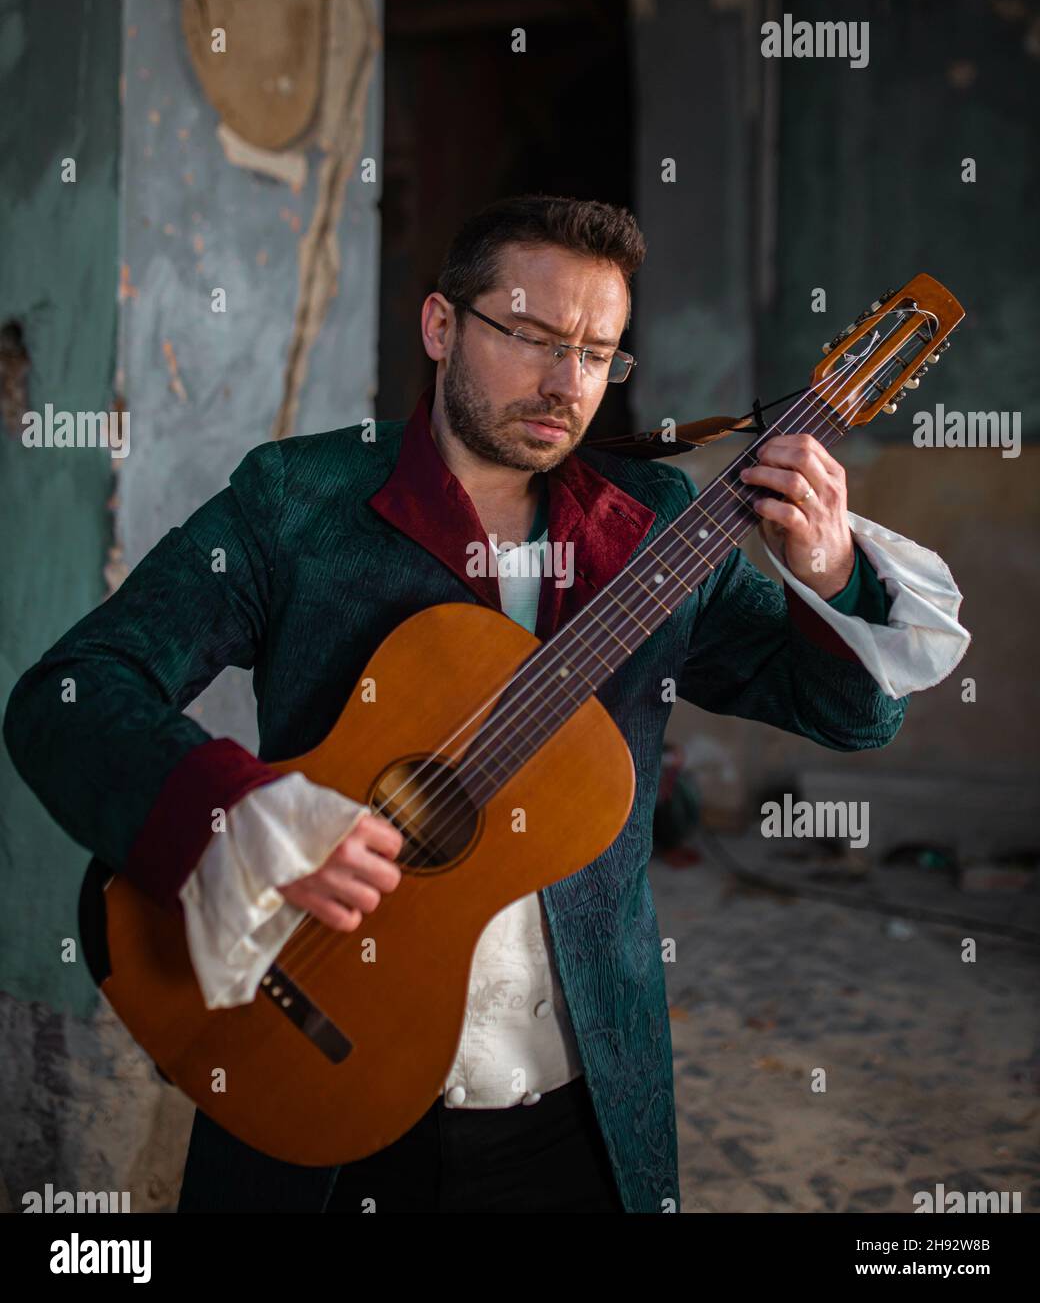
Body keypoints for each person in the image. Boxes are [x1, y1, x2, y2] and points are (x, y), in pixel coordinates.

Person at [3, 194, 969, 1213]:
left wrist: (827, 571)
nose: (566, 384)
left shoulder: (655, 528)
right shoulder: (298, 502)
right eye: (532, 337)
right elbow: (71, 692)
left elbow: (851, 718)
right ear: (439, 325)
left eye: (597, 353)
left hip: (575, 1095)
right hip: (316, 1080)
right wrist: (236, 809)